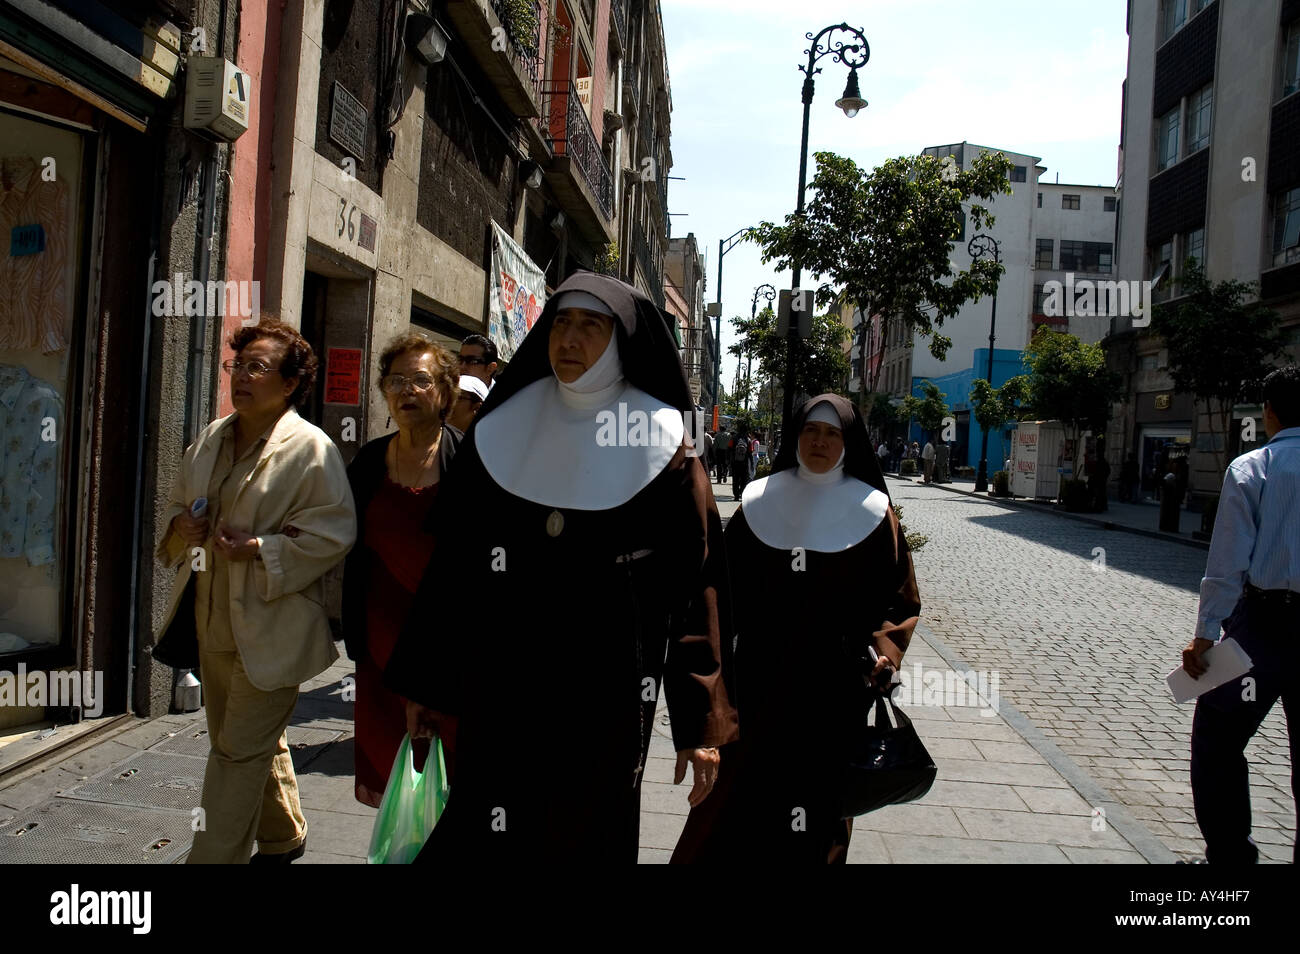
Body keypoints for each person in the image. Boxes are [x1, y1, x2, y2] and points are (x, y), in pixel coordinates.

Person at [384, 272, 738, 862]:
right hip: (499, 679)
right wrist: (423, 680)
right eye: (562, 323)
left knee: (586, 833)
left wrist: (701, 720)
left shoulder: (665, 443)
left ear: (622, 340)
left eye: (590, 327)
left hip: (608, 688)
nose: (568, 339)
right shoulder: (501, 427)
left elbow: (695, 588)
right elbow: (453, 568)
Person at [672, 394, 921, 864]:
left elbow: (899, 595)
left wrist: (885, 647)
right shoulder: (757, 506)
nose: (820, 442)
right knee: (737, 805)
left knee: (819, 814)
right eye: (811, 431)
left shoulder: (873, 511)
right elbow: (718, 594)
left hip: (834, 693)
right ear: (796, 437)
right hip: (758, 683)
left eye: (832, 434)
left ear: (847, 443)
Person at [154, 320, 356, 863]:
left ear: (290, 384)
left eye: (257, 367)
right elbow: (177, 501)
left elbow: (334, 532)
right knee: (238, 741)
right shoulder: (213, 436)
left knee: (234, 756)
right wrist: (181, 529)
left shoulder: (311, 449)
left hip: (274, 626)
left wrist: (261, 548)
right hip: (210, 619)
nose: (241, 377)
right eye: (237, 365)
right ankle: (285, 834)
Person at [1184, 366, 1300, 865]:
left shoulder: (1254, 468)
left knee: (1218, 736)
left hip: (1263, 626)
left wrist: (1205, 635)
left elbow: (1228, 562)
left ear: (1269, 411)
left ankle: (1231, 858)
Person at [342, 336, 461, 808]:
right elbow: (339, 534)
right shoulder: (369, 461)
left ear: (445, 392)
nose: (406, 390)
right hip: (380, 646)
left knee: (442, 773)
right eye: (395, 381)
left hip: (443, 646)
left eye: (420, 380)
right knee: (397, 782)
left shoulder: (467, 462)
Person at [732, 429, 752, 499]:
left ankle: (736, 495)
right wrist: (751, 463)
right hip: (744, 463)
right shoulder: (748, 440)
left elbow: (729, 449)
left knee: (735, 479)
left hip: (735, 462)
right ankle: (741, 493)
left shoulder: (733, 438)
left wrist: (729, 460)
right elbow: (750, 453)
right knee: (744, 479)